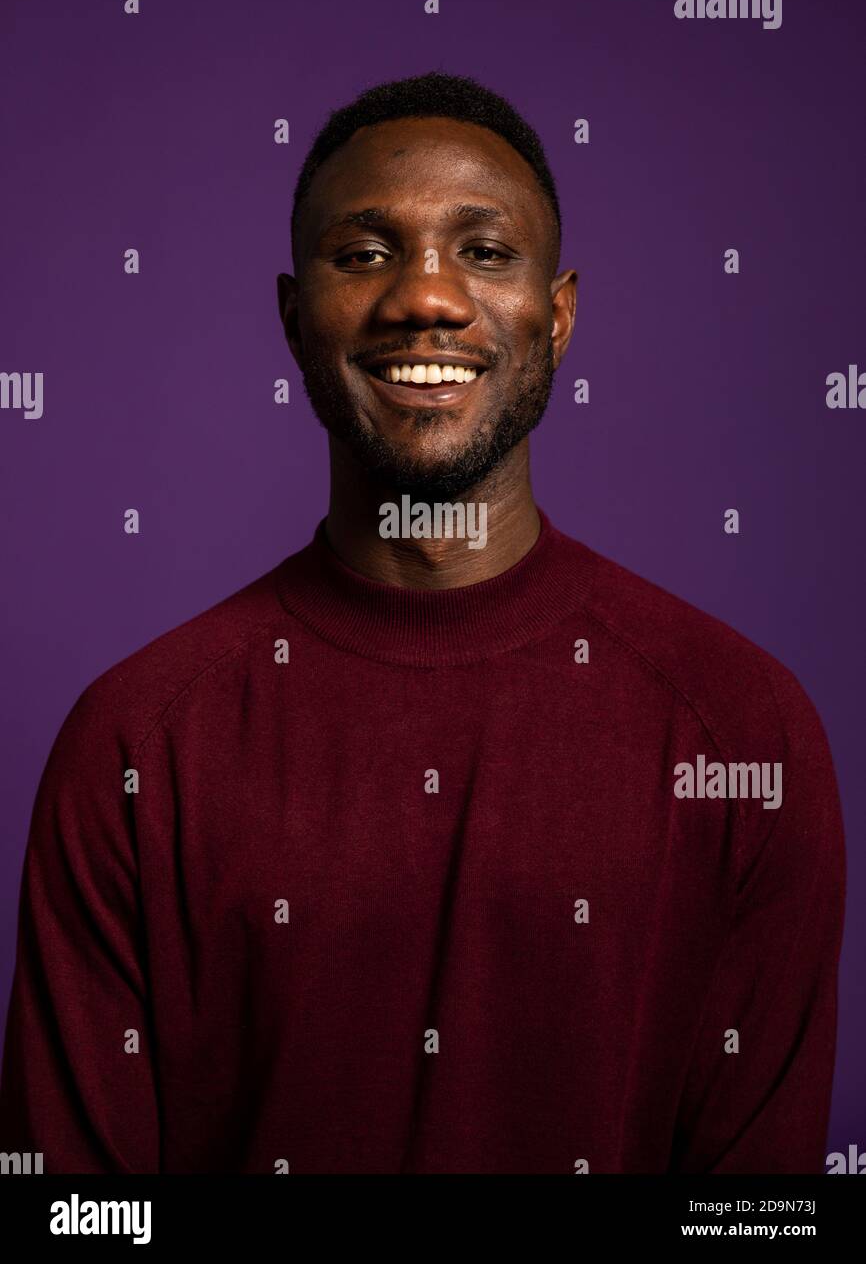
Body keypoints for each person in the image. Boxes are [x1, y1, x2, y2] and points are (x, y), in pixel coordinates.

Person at [0, 72, 845, 1174]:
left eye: (485, 252)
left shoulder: (742, 732)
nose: (426, 298)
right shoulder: (133, 744)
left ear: (559, 311)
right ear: (292, 315)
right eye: (363, 253)